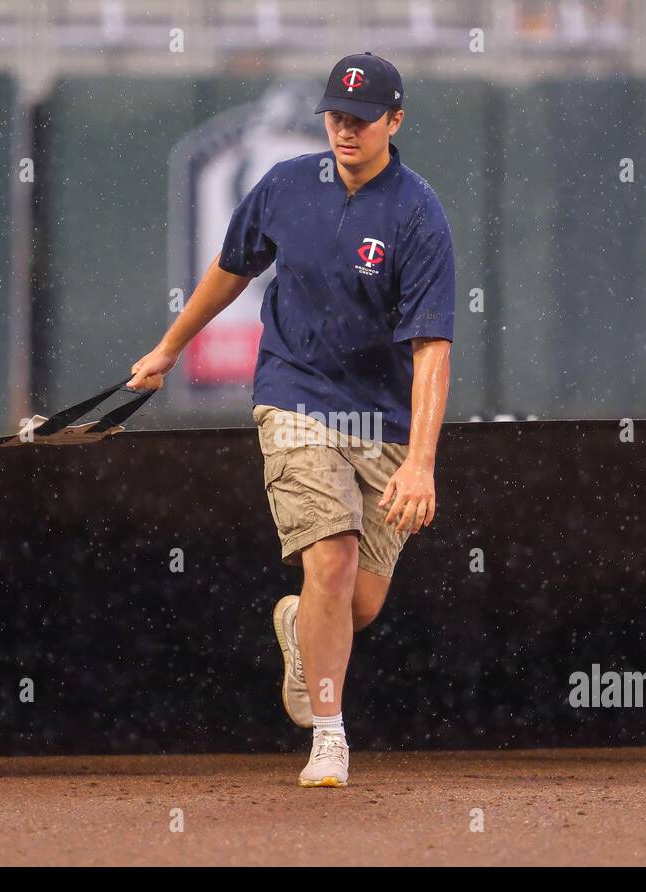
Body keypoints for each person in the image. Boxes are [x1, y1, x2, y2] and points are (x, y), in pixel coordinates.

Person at [128, 52, 456, 787]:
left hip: (385, 422)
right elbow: (230, 268)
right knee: (332, 563)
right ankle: (330, 736)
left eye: (361, 119)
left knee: (357, 601)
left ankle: (297, 626)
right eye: (335, 117)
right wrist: (168, 349)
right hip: (294, 397)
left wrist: (421, 462)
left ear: (394, 122)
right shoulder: (284, 187)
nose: (345, 130)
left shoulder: (417, 212)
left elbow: (433, 349)